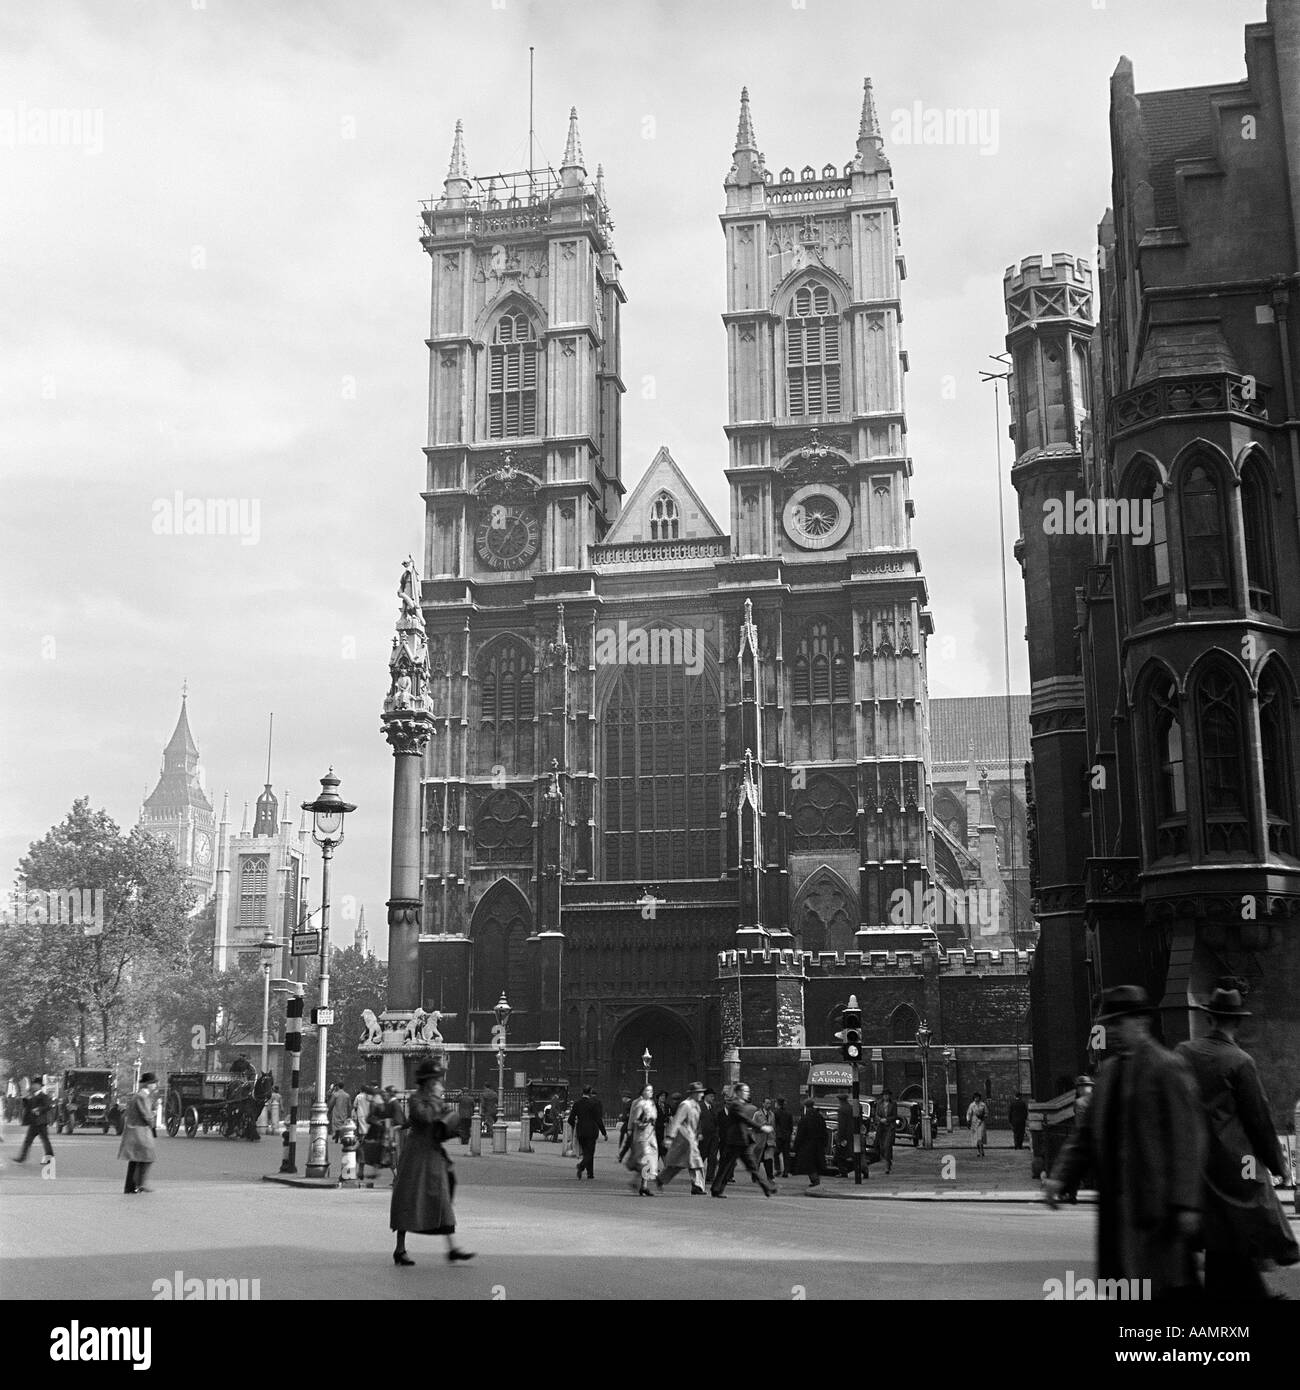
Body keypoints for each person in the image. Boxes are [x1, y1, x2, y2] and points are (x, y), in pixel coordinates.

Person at [1045, 985, 1205, 1300]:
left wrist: (1186, 1203)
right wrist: (1060, 1176)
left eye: (1119, 1022)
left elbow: (1188, 1139)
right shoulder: (1109, 1072)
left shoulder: (1168, 1067)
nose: (1113, 1031)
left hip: (1156, 1209)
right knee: (1126, 1289)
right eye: (1110, 1024)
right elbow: (1086, 1136)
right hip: (1118, 1212)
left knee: (1165, 1289)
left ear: (1141, 1022)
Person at [1175, 986, 1299, 1298]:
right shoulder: (1240, 1061)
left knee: (1222, 1241)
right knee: (1245, 1224)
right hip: (1237, 1163)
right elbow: (1259, 1120)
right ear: (1237, 1023)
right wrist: (1279, 1166)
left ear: (1209, 1019)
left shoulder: (1183, 1053)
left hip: (1197, 1163)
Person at [390, 1060, 473, 1266]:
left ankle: (452, 1247)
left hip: (434, 1154)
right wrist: (438, 1104)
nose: (438, 1083)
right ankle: (400, 1248)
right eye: (435, 1080)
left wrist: (452, 1126)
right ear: (427, 1082)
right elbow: (425, 1117)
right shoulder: (416, 1098)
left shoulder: (435, 1099)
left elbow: (443, 1122)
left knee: (441, 1198)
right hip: (417, 1155)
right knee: (409, 1198)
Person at [710, 1083, 775, 1198]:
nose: (747, 1094)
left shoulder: (740, 1104)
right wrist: (761, 1127)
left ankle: (767, 1187)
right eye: (745, 1091)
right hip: (735, 1141)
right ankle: (716, 1189)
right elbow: (744, 1119)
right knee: (726, 1166)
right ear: (739, 1092)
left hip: (741, 1141)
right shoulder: (735, 1104)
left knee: (748, 1165)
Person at [658, 1082, 707, 1194]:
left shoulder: (696, 1105)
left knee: (690, 1163)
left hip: (691, 1139)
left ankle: (697, 1186)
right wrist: (669, 1137)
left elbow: (697, 1123)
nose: (701, 1094)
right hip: (683, 1139)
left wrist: (698, 1132)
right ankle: (696, 1186)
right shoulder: (686, 1105)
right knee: (686, 1163)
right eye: (699, 1092)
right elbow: (677, 1121)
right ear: (693, 1093)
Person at [120, 1073, 159, 1194]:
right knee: (147, 1156)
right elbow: (147, 1115)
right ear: (148, 1084)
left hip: (137, 1130)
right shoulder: (142, 1096)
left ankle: (131, 1186)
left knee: (136, 1159)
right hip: (140, 1131)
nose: (155, 1085)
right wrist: (153, 1117)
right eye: (154, 1083)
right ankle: (140, 1184)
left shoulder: (141, 1096)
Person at [625, 1085, 659, 1196]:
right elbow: (635, 1119)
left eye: (651, 1091)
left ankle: (642, 1185)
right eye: (648, 1090)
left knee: (649, 1161)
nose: (650, 1092)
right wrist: (642, 1124)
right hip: (642, 1136)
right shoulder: (640, 1104)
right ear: (642, 1092)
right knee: (645, 1160)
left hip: (651, 1135)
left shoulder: (652, 1103)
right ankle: (639, 1184)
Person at [792, 1098, 831, 1187]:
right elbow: (824, 1131)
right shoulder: (820, 1117)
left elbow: (800, 1133)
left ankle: (815, 1180)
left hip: (808, 1145)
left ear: (806, 1107)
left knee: (809, 1164)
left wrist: (796, 1146)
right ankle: (816, 1179)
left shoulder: (805, 1118)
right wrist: (825, 1143)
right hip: (819, 1144)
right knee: (818, 1162)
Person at [570, 1086, 607, 1180]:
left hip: (581, 1131)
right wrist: (604, 1132)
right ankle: (581, 1166)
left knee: (586, 1152)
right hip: (591, 1131)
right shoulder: (594, 1104)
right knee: (590, 1152)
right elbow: (598, 1119)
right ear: (590, 1093)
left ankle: (590, 1173)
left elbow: (571, 1119)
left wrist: (575, 1127)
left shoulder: (577, 1104)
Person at [14, 1077, 53, 1165]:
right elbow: (27, 1107)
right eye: (33, 1084)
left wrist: (39, 1109)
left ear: (40, 1086)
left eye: (36, 1084)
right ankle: (22, 1158)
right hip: (33, 1122)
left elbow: (48, 1106)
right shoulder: (31, 1095)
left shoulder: (44, 1096)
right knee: (28, 1141)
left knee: (45, 1141)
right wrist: (24, 1099)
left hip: (41, 1122)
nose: (34, 1086)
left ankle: (49, 1158)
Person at [699, 1087, 721, 1187]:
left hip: (714, 1136)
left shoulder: (714, 1107)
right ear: (706, 1096)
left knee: (713, 1157)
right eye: (711, 1096)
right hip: (703, 1136)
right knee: (702, 1156)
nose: (713, 1098)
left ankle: (710, 1177)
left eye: (713, 1096)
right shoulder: (699, 1106)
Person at [876, 1090, 898, 1175]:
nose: (885, 1097)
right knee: (882, 1147)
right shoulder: (879, 1104)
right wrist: (880, 1119)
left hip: (890, 1127)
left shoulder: (893, 1104)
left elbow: (895, 1116)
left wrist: (887, 1119)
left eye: (887, 1095)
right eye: (884, 1095)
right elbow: (876, 1115)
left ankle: (887, 1166)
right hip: (881, 1127)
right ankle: (888, 1160)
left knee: (887, 1145)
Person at [772, 1097, 794, 1178]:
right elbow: (791, 1126)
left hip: (779, 1136)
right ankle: (786, 1171)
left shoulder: (775, 1113)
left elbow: (774, 1124)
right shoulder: (788, 1113)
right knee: (786, 1154)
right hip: (787, 1136)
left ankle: (778, 1169)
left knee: (776, 1153)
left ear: (777, 1104)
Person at [834, 1093, 854, 1175]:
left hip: (844, 1136)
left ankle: (843, 1172)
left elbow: (841, 1125)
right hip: (852, 1134)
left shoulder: (841, 1109)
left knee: (839, 1156)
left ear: (840, 1101)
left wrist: (840, 1138)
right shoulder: (851, 1108)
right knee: (851, 1154)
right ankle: (862, 1168)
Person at [965, 1092, 988, 1158]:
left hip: (981, 1121)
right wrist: (968, 1121)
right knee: (977, 1137)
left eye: (977, 1097)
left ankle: (982, 1149)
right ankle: (978, 1151)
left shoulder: (983, 1105)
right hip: (974, 1121)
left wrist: (983, 1116)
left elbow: (986, 1113)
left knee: (981, 1136)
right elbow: (968, 1113)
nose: (976, 1099)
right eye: (975, 1097)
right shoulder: (972, 1105)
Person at [654, 1091, 671, 1160]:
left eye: (664, 1096)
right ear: (658, 1097)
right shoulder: (654, 1107)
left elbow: (670, 1116)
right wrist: (661, 1124)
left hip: (665, 1132)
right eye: (661, 1096)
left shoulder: (667, 1107)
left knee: (664, 1151)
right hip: (655, 1132)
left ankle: (666, 1168)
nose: (663, 1097)